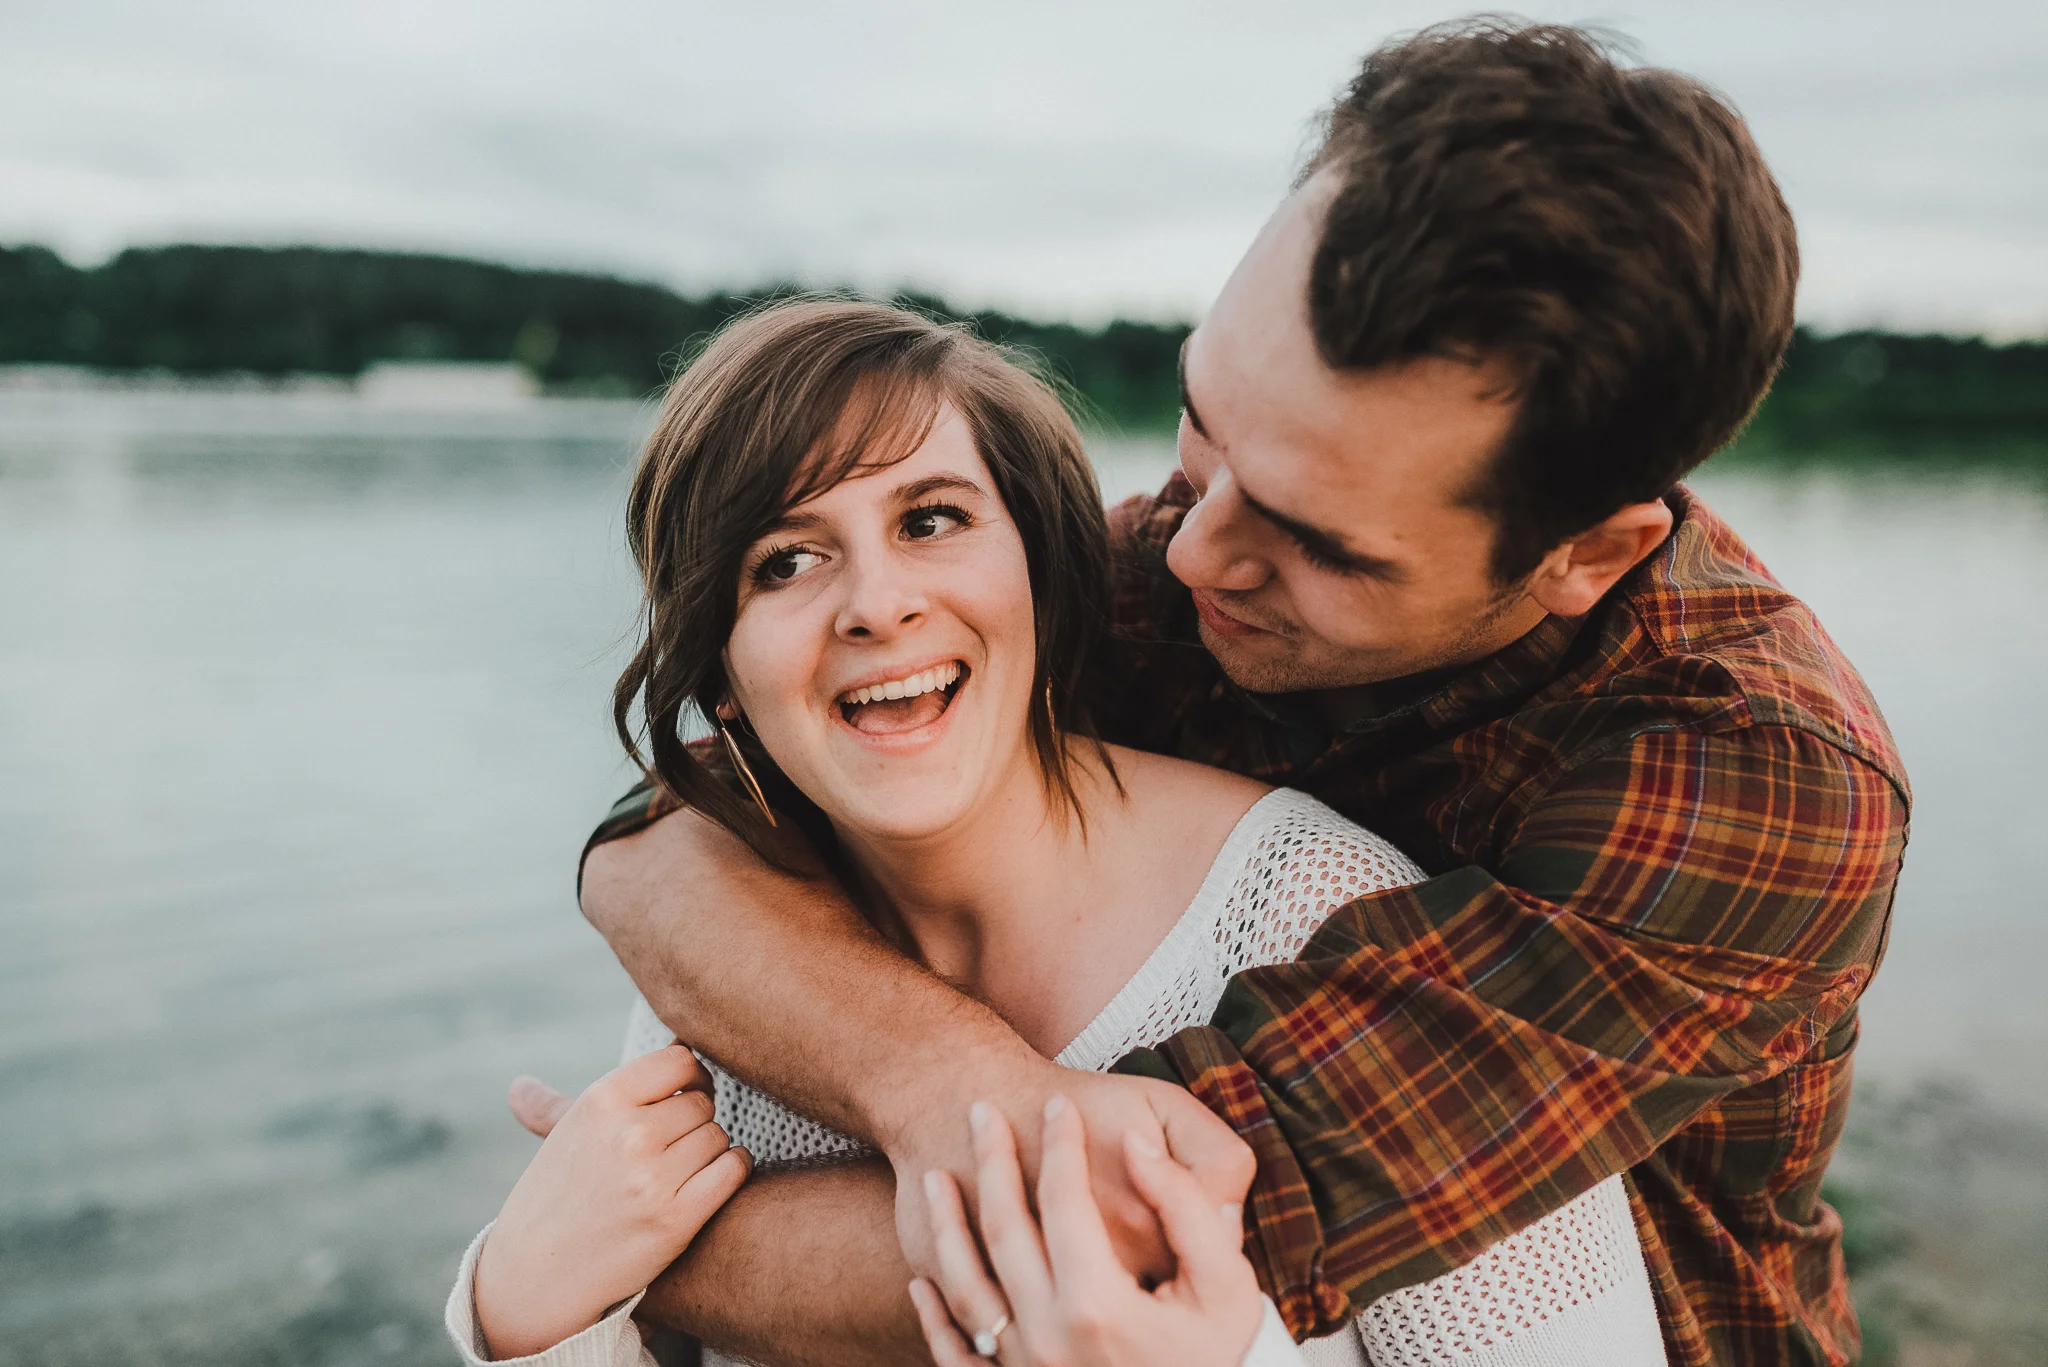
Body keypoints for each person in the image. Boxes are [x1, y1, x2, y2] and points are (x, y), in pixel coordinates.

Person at [558, 19, 1909, 1367]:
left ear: (1585, 554)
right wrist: (942, 1081)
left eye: (1319, 541)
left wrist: (615, 1262)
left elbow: (1144, 1221)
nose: (1190, 543)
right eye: (1206, 424)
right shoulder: (1183, 564)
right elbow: (683, 817)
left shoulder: (1766, 776)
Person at [444, 297, 1670, 1366]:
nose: (877, 603)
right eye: (783, 561)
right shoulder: (718, 960)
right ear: (718, 672)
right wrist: (522, 1307)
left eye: (930, 519)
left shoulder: (1322, 919)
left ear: (1043, 564)